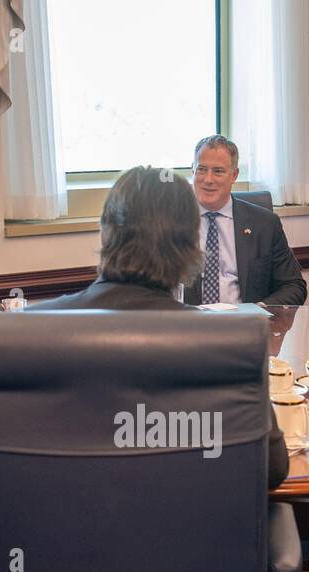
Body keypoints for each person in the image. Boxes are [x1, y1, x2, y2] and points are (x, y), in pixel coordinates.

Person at [45, 166, 289, 490]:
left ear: (104, 235)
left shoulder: (28, 331)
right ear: (192, 247)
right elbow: (272, 469)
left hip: (64, 533)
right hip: (197, 534)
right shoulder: (232, 343)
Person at [183, 135, 306, 308]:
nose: (208, 179)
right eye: (201, 169)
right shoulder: (169, 222)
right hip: (190, 327)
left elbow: (293, 286)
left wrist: (258, 309)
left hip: (247, 325)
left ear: (234, 175)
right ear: (193, 170)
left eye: (218, 171)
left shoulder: (265, 224)